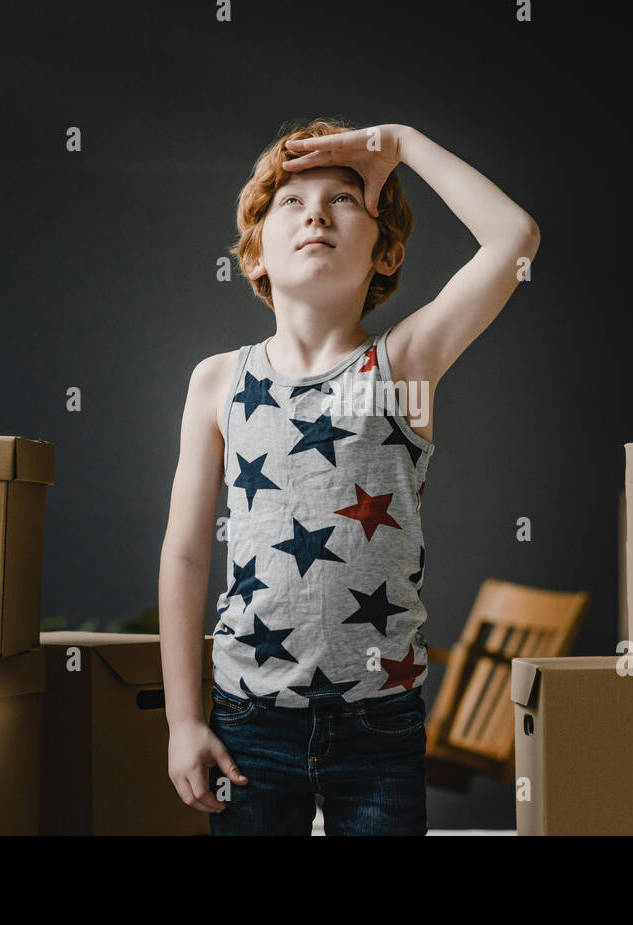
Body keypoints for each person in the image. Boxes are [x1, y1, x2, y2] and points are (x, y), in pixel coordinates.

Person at [158, 119, 539, 834]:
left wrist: (397, 146)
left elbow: (514, 238)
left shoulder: (405, 363)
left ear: (386, 252)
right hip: (248, 718)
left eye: (344, 199)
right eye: (292, 203)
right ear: (255, 259)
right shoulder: (216, 382)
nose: (316, 215)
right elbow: (184, 553)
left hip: (379, 724)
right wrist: (184, 718)